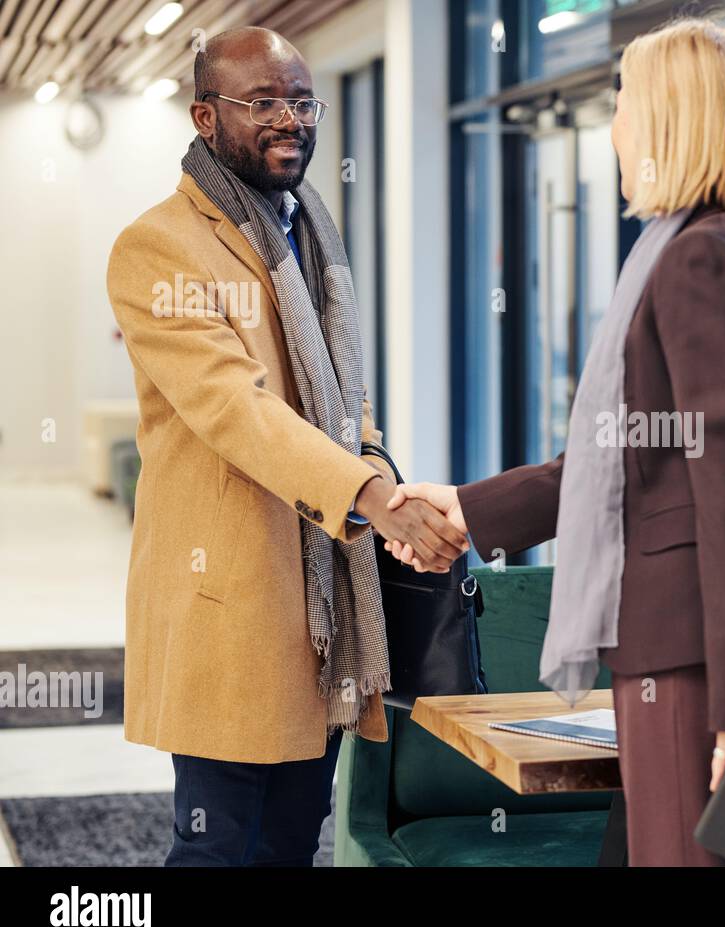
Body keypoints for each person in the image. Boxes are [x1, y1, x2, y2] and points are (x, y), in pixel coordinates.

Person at [387, 17, 725, 866]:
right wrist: (467, 508)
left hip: (706, 660)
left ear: (668, 122)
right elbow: (636, 457)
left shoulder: (700, 262)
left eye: (623, 103)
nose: (614, 126)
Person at [106, 26, 466, 866]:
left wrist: (381, 474)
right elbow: (238, 410)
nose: (290, 119)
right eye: (262, 101)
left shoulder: (311, 236)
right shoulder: (157, 246)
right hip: (230, 607)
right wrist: (377, 501)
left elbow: (349, 408)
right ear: (205, 115)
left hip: (326, 606)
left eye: (302, 101)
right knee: (218, 847)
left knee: (293, 843)